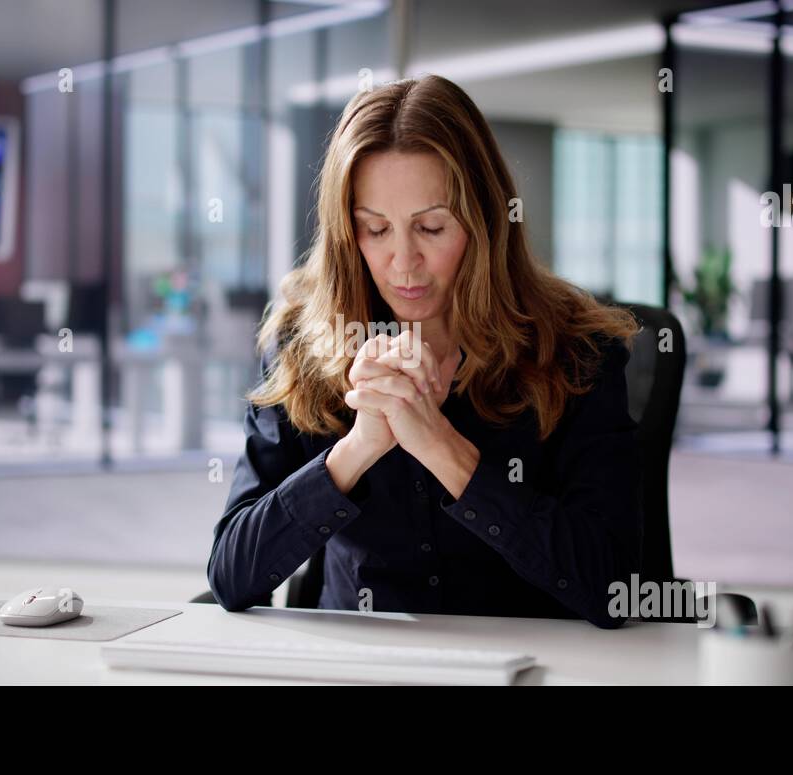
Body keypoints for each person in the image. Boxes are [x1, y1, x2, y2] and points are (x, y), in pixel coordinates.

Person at [206, 74, 643, 627]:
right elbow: (230, 576)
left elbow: (615, 590)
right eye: (375, 229)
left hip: (532, 664)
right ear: (347, 233)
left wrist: (441, 447)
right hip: (362, 667)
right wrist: (357, 448)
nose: (403, 261)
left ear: (483, 221)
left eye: (432, 227)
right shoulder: (304, 343)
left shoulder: (578, 352)